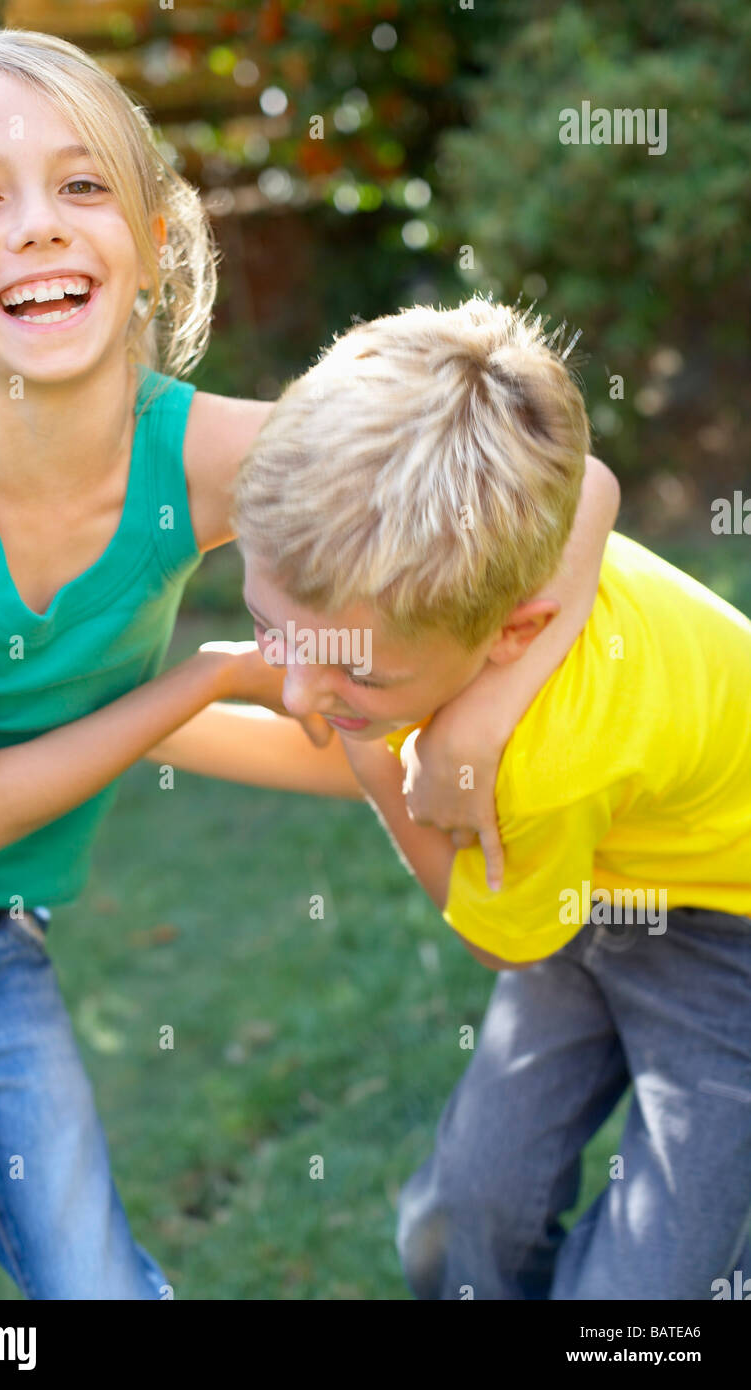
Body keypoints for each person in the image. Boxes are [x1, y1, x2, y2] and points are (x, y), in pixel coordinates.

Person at [0, 31, 615, 1299]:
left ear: (158, 238)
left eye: (82, 186)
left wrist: (475, 716)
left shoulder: (211, 458)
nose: (39, 228)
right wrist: (207, 677)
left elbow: (576, 482)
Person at [153, 298, 751, 1300]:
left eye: (355, 681)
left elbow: (502, 940)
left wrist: (380, 765)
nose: (299, 692)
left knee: (650, 1294)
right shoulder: (497, 551)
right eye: (271, 628)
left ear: (515, 633)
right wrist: (155, 717)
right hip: (592, 870)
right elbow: (592, 482)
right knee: (460, 1217)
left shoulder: (546, 758)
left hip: (723, 929)